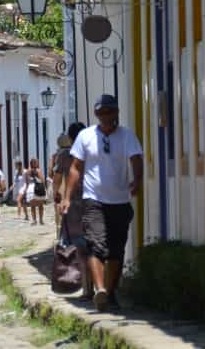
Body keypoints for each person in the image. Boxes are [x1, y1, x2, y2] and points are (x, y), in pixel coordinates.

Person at [59, 96, 142, 312]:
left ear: (116, 113)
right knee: (96, 245)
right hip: (93, 199)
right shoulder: (86, 136)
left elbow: (136, 159)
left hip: (120, 200)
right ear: (97, 115)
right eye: (102, 112)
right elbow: (76, 167)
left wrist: (138, 179)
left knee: (116, 249)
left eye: (109, 112)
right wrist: (67, 197)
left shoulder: (127, 136)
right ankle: (100, 290)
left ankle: (110, 292)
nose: (106, 116)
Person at [53, 122, 90, 297]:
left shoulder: (65, 155)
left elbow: (57, 177)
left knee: (78, 245)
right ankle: (100, 284)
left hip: (74, 204)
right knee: (95, 244)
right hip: (94, 202)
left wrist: (57, 196)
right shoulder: (93, 152)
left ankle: (86, 287)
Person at [24, 157, 47, 225]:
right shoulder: (38, 170)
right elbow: (42, 180)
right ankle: (41, 220)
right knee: (40, 205)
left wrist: (26, 189)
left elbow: (27, 182)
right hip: (38, 187)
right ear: (35, 163)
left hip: (31, 188)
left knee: (32, 206)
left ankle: (34, 220)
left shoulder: (28, 171)